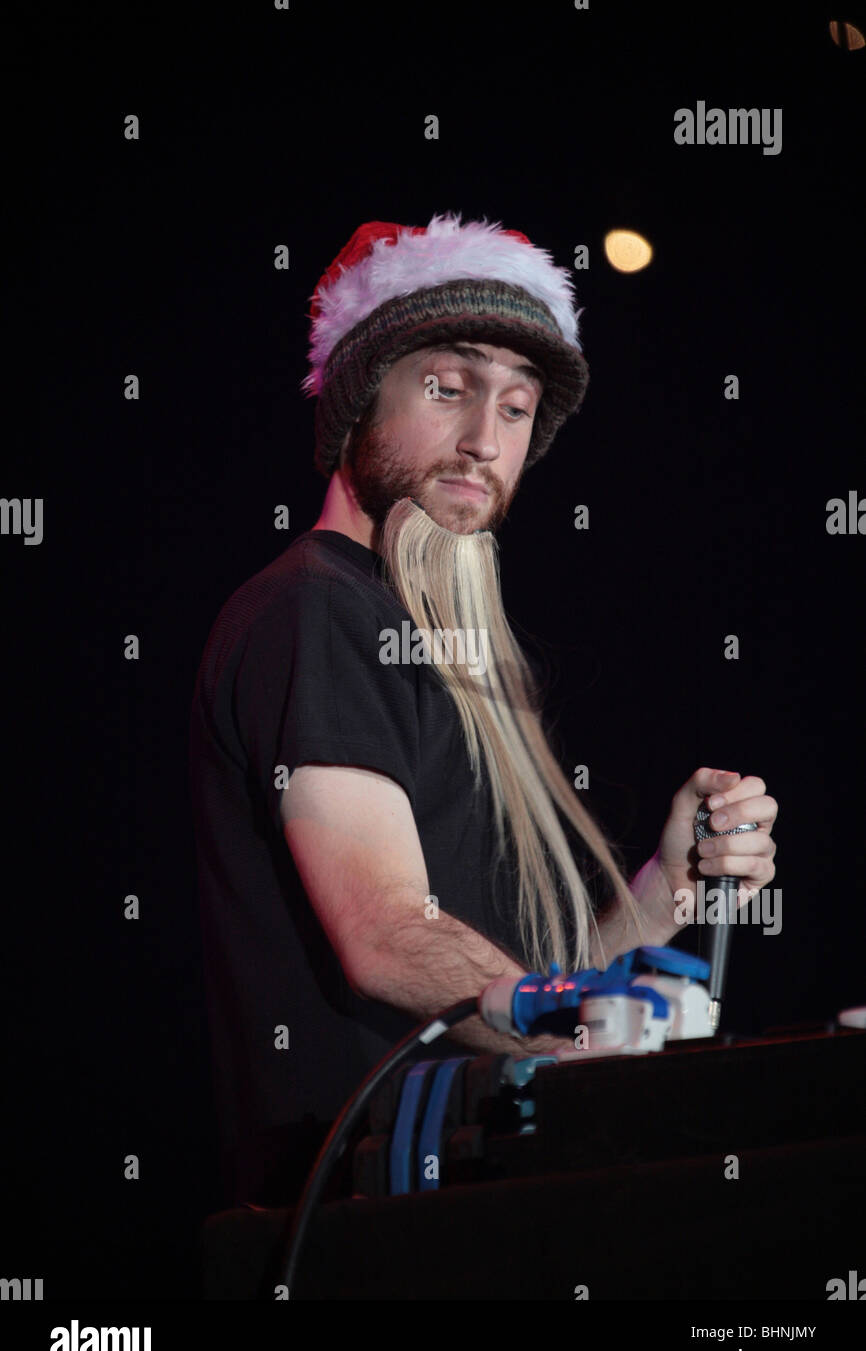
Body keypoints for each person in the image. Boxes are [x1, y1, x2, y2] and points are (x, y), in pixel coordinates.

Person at [188, 212, 779, 1210]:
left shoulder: (427, 643)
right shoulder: (315, 610)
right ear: (356, 400)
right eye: (447, 387)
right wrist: (588, 1026)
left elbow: (500, 985)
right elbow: (388, 936)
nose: (481, 441)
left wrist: (658, 892)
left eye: (514, 408)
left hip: (461, 1206)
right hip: (355, 1228)